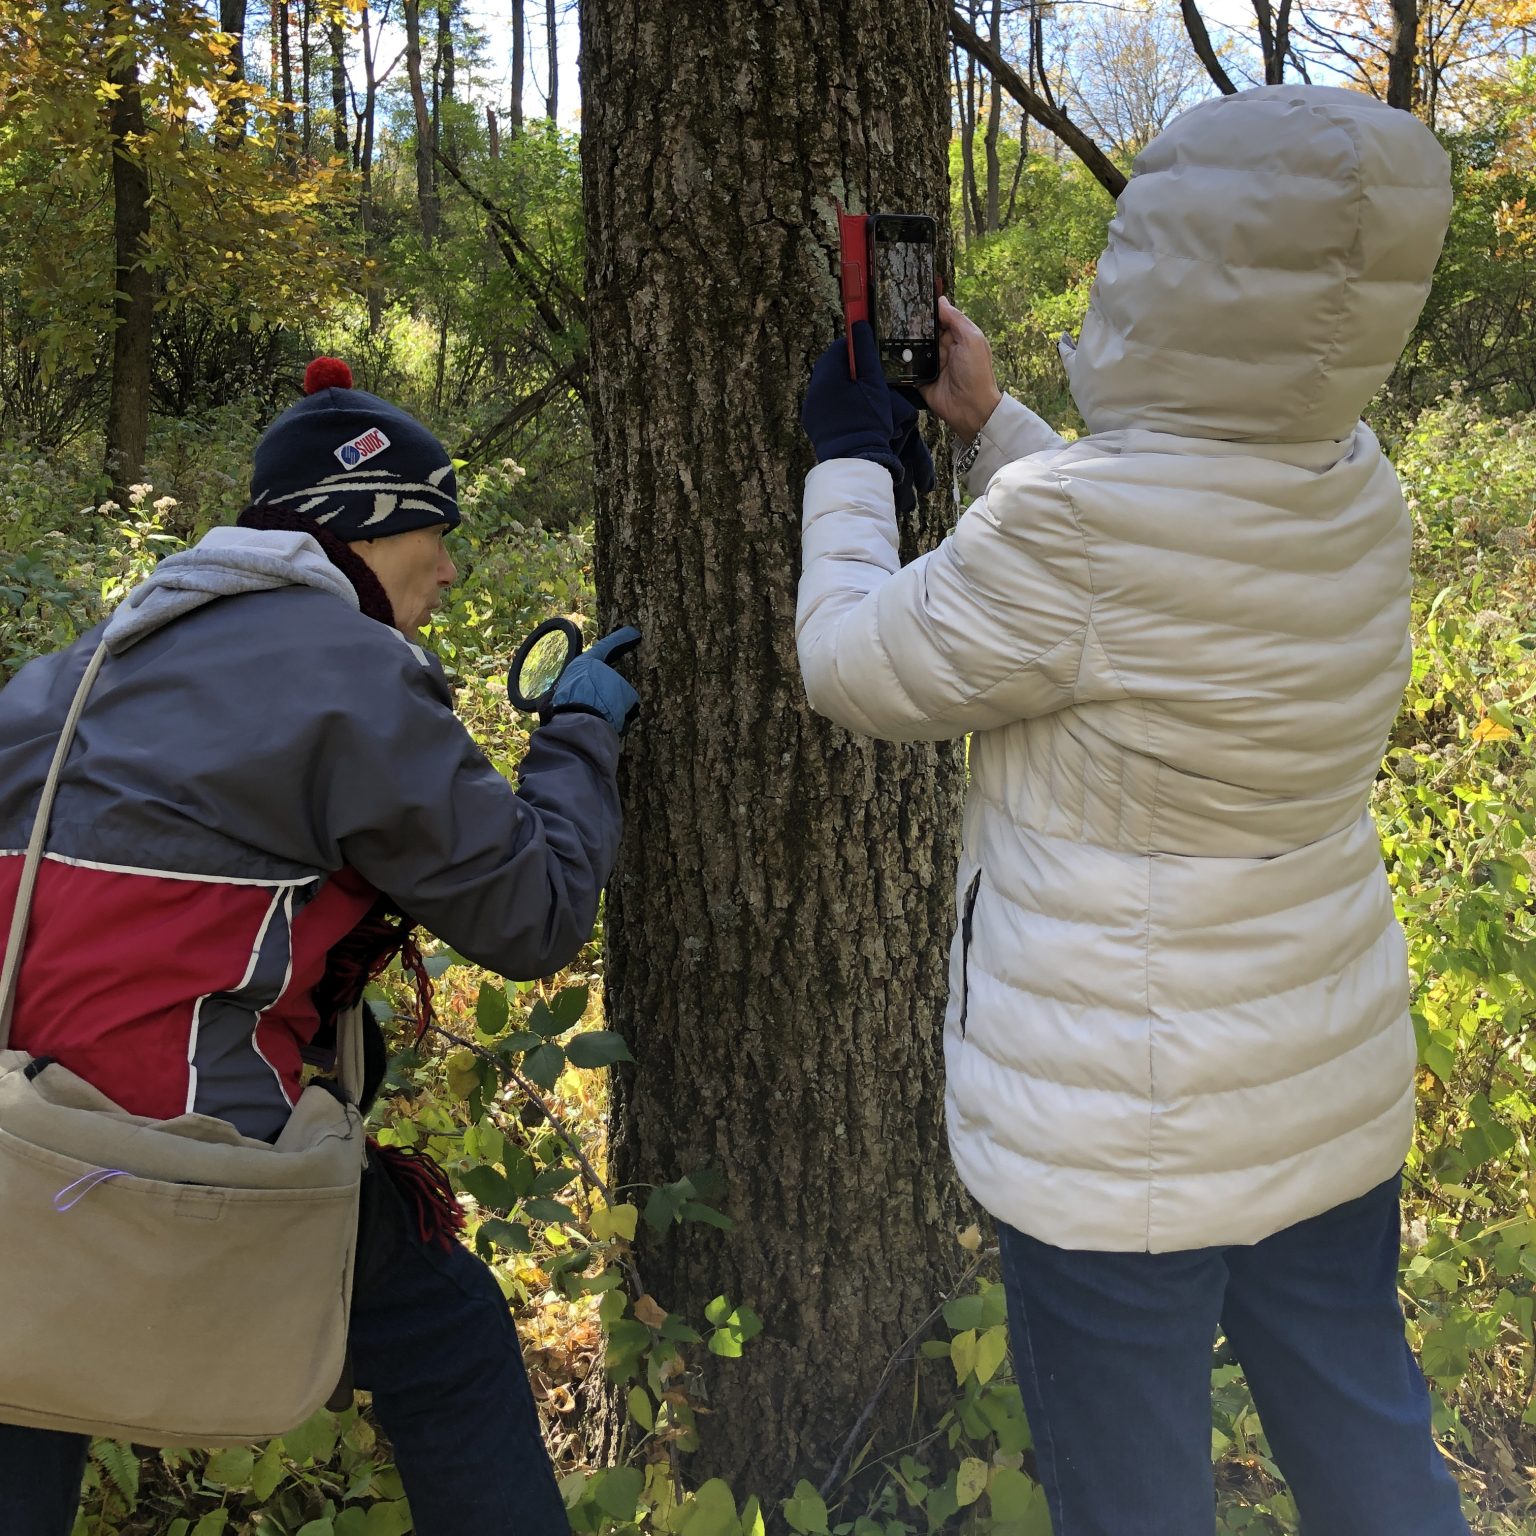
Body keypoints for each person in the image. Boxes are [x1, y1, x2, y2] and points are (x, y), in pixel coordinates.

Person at [797, 86, 1468, 1535]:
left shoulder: (1075, 529)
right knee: (1370, 1447)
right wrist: (996, 426)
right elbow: (1162, 561)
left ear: (1171, 270)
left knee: (1134, 1503)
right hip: (1322, 1093)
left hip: (1118, 1145)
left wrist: (849, 456)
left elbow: (851, 662)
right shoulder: (1356, 488)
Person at [0, 358, 639, 1536]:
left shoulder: (75, 668)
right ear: (363, 527)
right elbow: (534, 915)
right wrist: (577, 737)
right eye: (435, 534)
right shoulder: (353, 673)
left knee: (21, 1367)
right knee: (444, 1331)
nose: (449, 569)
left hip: (21, 1143)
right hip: (183, 1155)